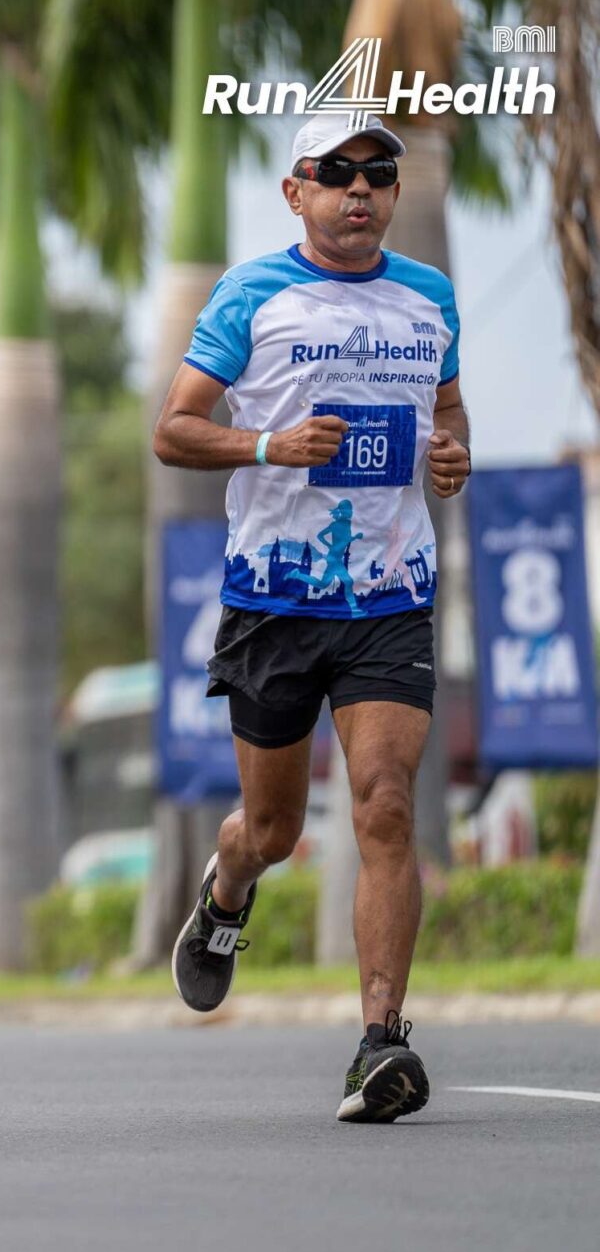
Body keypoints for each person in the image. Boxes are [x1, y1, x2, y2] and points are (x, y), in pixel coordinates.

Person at [154, 114, 470, 1123]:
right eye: (335, 173)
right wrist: (265, 448)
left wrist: (450, 455)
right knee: (277, 828)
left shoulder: (429, 298)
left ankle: (380, 1043)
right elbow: (172, 429)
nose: (360, 189)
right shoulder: (252, 293)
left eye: (377, 172)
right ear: (294, 192)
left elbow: (447, 414)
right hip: (272, 600)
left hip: (388, 597)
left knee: (382, 801)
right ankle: (225, 890)